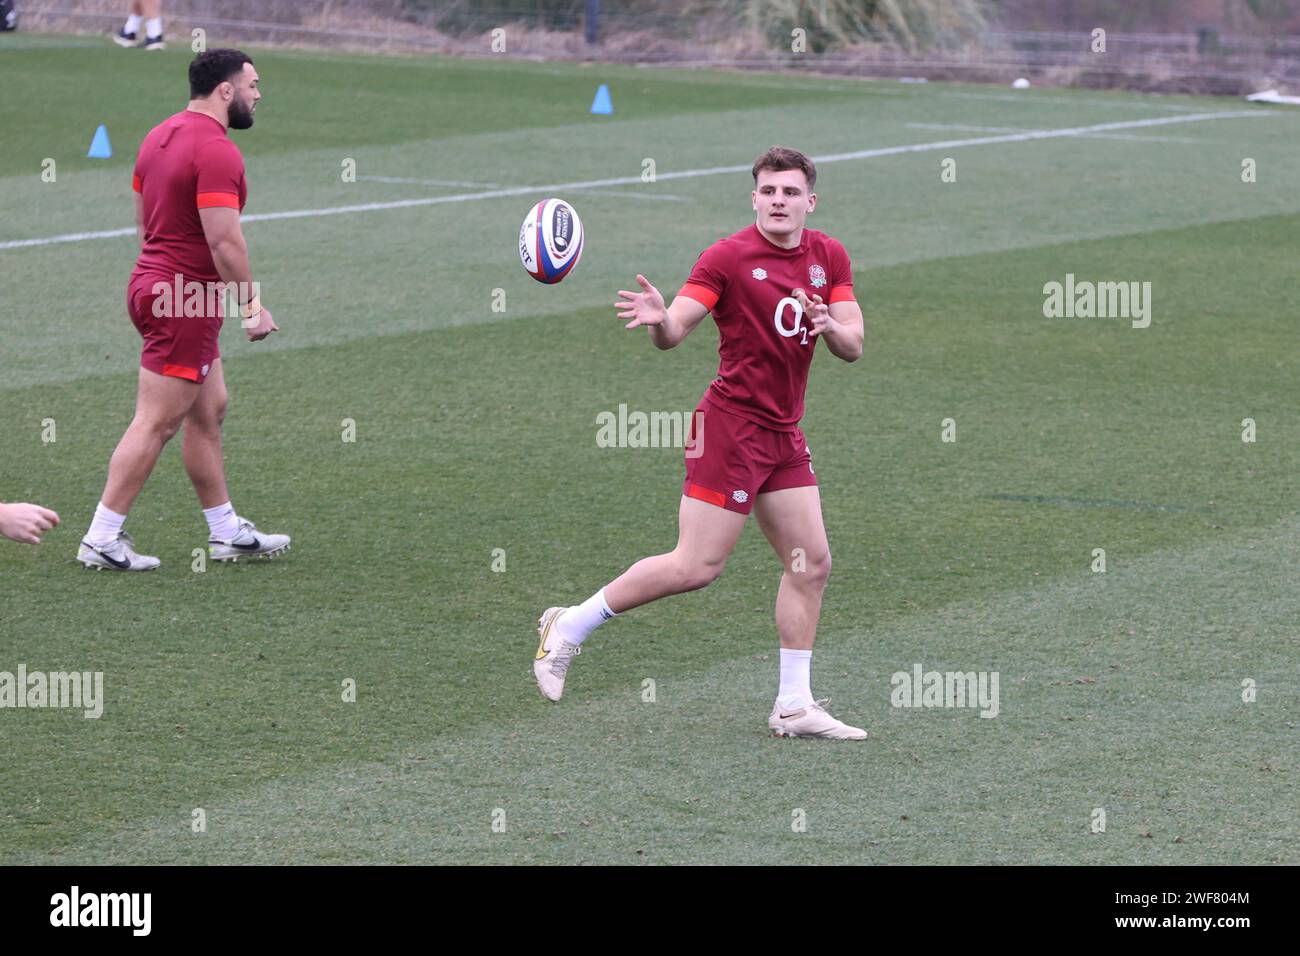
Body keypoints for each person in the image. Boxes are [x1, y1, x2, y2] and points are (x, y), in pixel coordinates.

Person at [534, 146, 868, 739]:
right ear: (754, 198)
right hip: (729, 429)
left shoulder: (829, 256)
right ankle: (569, 625)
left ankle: (794, 705)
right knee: (696, 566)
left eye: (790, 192)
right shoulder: (728, 257)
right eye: (768, 191)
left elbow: (854, 344)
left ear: (810, 201)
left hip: (783, 433)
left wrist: (829, 326)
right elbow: (676, 331)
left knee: (810, 564)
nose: (778, 201)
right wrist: (661, 319)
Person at [77, 49, 288, 572]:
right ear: (225, 90)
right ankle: (101, 537)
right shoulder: (217, 151)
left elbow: (143, 216)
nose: (258, 94)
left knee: (209, 407)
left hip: (156, 285)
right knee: (156, 422)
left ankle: (226, 532)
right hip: (183, 299)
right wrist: (252, 307)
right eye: (253, 85)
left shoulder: (159, 135)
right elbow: (225, 243)